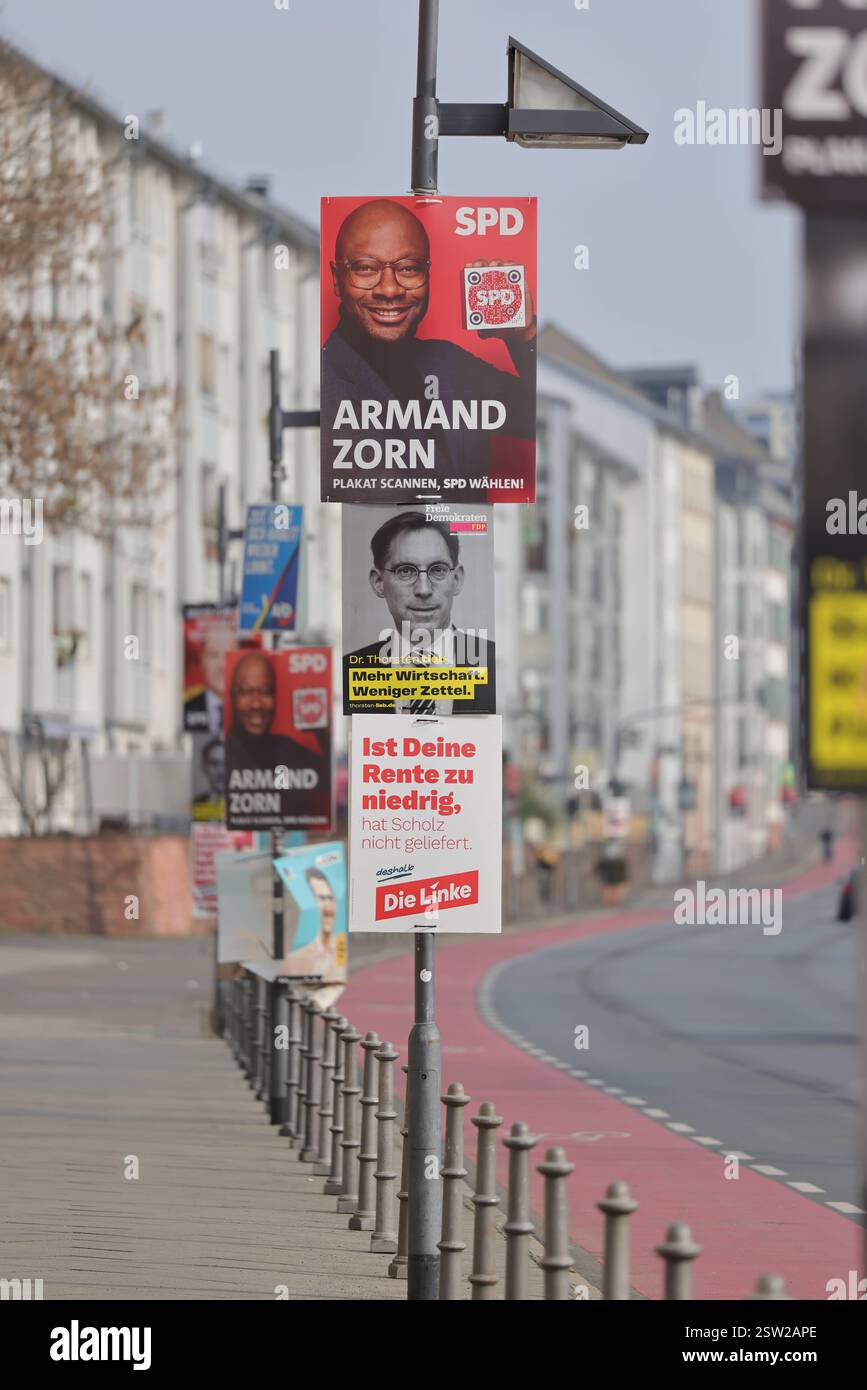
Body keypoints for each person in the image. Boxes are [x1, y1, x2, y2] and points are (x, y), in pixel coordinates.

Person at [322, 199, 536, 494]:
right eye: (365, 268)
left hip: (464, 538)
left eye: (409, 268)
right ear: (337, 279)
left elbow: (537, 418)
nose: (389, 289)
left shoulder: (450, 365)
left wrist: (524, 336)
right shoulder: (322, 379)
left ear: (427, 275)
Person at [344, 510, 495, 714]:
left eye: (438, 570)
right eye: (405, 571)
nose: (423, 589)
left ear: (457, 579)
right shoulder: (351, 670)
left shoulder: (492, 663)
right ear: (379, 582)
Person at [225, 652, 330, 823]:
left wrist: (322, 733)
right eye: (245, 692)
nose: (256, 704)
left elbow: (329, 782)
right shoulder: (220, 757)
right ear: (232, 696)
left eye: (265, 692)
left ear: (275, 697)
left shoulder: (289, 750)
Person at [286, 866, 345, 982]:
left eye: (330, 898)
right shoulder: (294, 959)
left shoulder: (340, 951)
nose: (328, 907)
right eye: (321, 898)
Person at [184, 625, 236, 734]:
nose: (222, 665)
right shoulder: (186, 706)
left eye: (229, 656)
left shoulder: (253, 710)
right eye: (214, 655)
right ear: (201, 661)